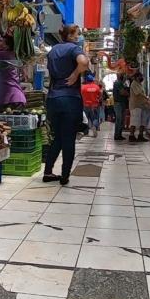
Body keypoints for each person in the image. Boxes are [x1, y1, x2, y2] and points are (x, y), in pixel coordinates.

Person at [44, 25, 90, 185]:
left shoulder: (53, 51)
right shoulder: (73, 49)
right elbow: (83, 62)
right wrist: (75, 74)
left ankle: (48, 172)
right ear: (70, 35)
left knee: (58, 137)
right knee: (69, 138)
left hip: (53, 99)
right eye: (77, 34)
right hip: (70, 99)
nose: (78, 36)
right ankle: (64, 176)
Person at [0, 35, 27, 111]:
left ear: (7, 46)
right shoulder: (11, 54)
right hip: (15, 97)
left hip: (11, 98)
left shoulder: (3, 54)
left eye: (1, 41)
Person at [128, 74, 150, 142]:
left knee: (142, 122)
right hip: (135, 106)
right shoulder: (134, 84)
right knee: (134, 122)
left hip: (142, 105)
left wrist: (147, 99)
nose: (141, 78)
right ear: (136, 77)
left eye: (142, 76)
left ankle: (140, 136)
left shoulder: (140, 84)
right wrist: (147, 98)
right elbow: (138, 93)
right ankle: (131, 135)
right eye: (140, 77)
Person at [112, 74, 129, 140]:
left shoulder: (122, 83)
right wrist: (127, 93)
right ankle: (117, 135)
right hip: (118, 104)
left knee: (122, 120)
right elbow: (122, 92)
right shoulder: (118, 83)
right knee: (119, 119)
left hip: (122, 103)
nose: (124, 76)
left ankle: (119, 134)